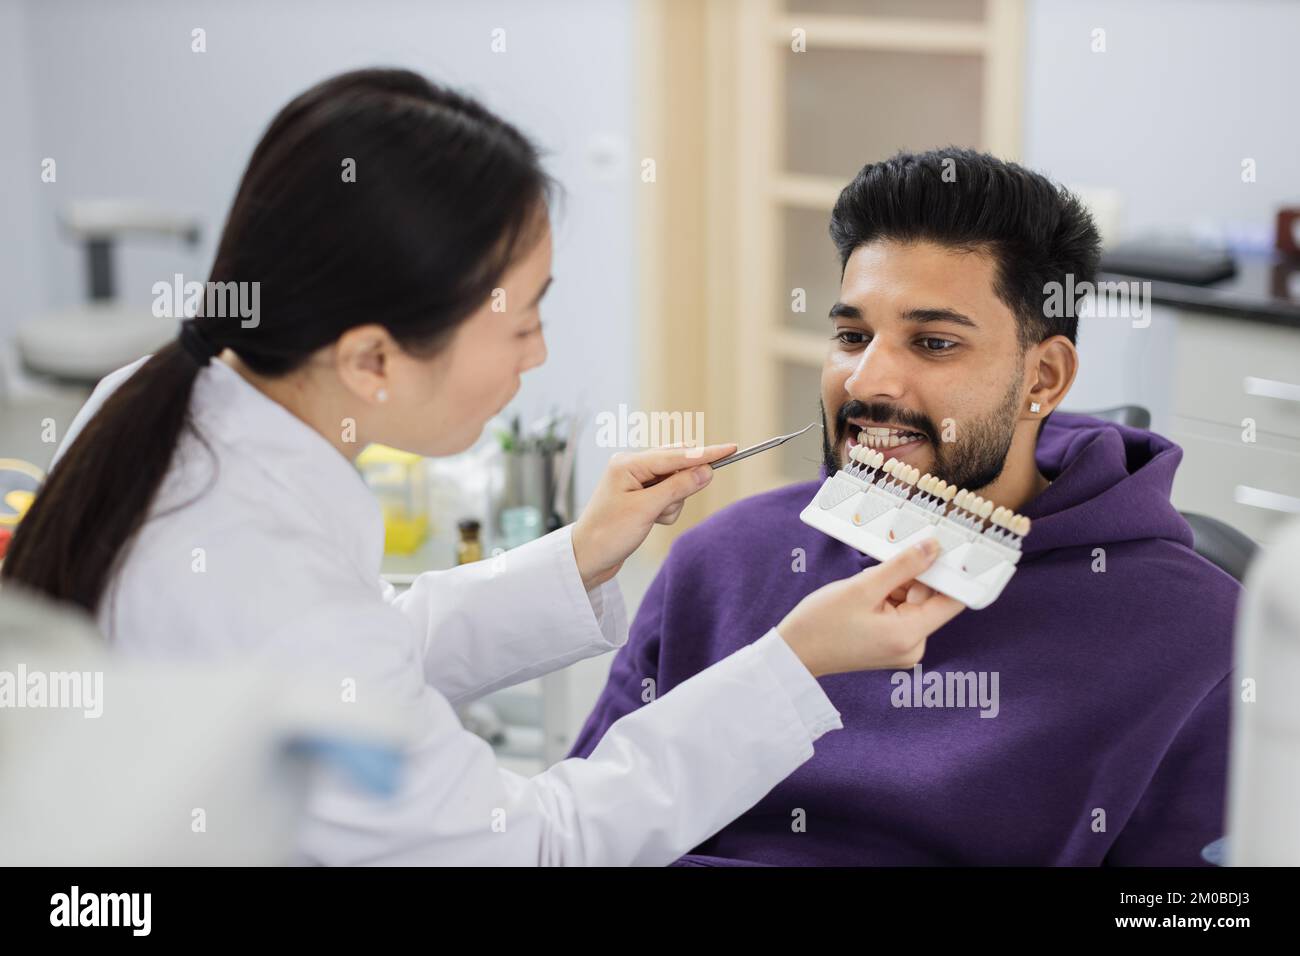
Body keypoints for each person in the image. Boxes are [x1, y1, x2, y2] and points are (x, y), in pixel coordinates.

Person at [0, 70, 963, 865]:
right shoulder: (263, 568)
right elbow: (537, 849)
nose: (538, 356)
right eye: (522, 322)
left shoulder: (171, 393)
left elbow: (355, 651)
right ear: (373, 359)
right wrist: (795, 669)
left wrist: (579, 554)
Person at [570, 149, 1240, 866]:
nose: (867, 378)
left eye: (933, 342)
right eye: (853, 336)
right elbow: (575, 831)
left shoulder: (1201, 639)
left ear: (1043, 376)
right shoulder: (723, 557)